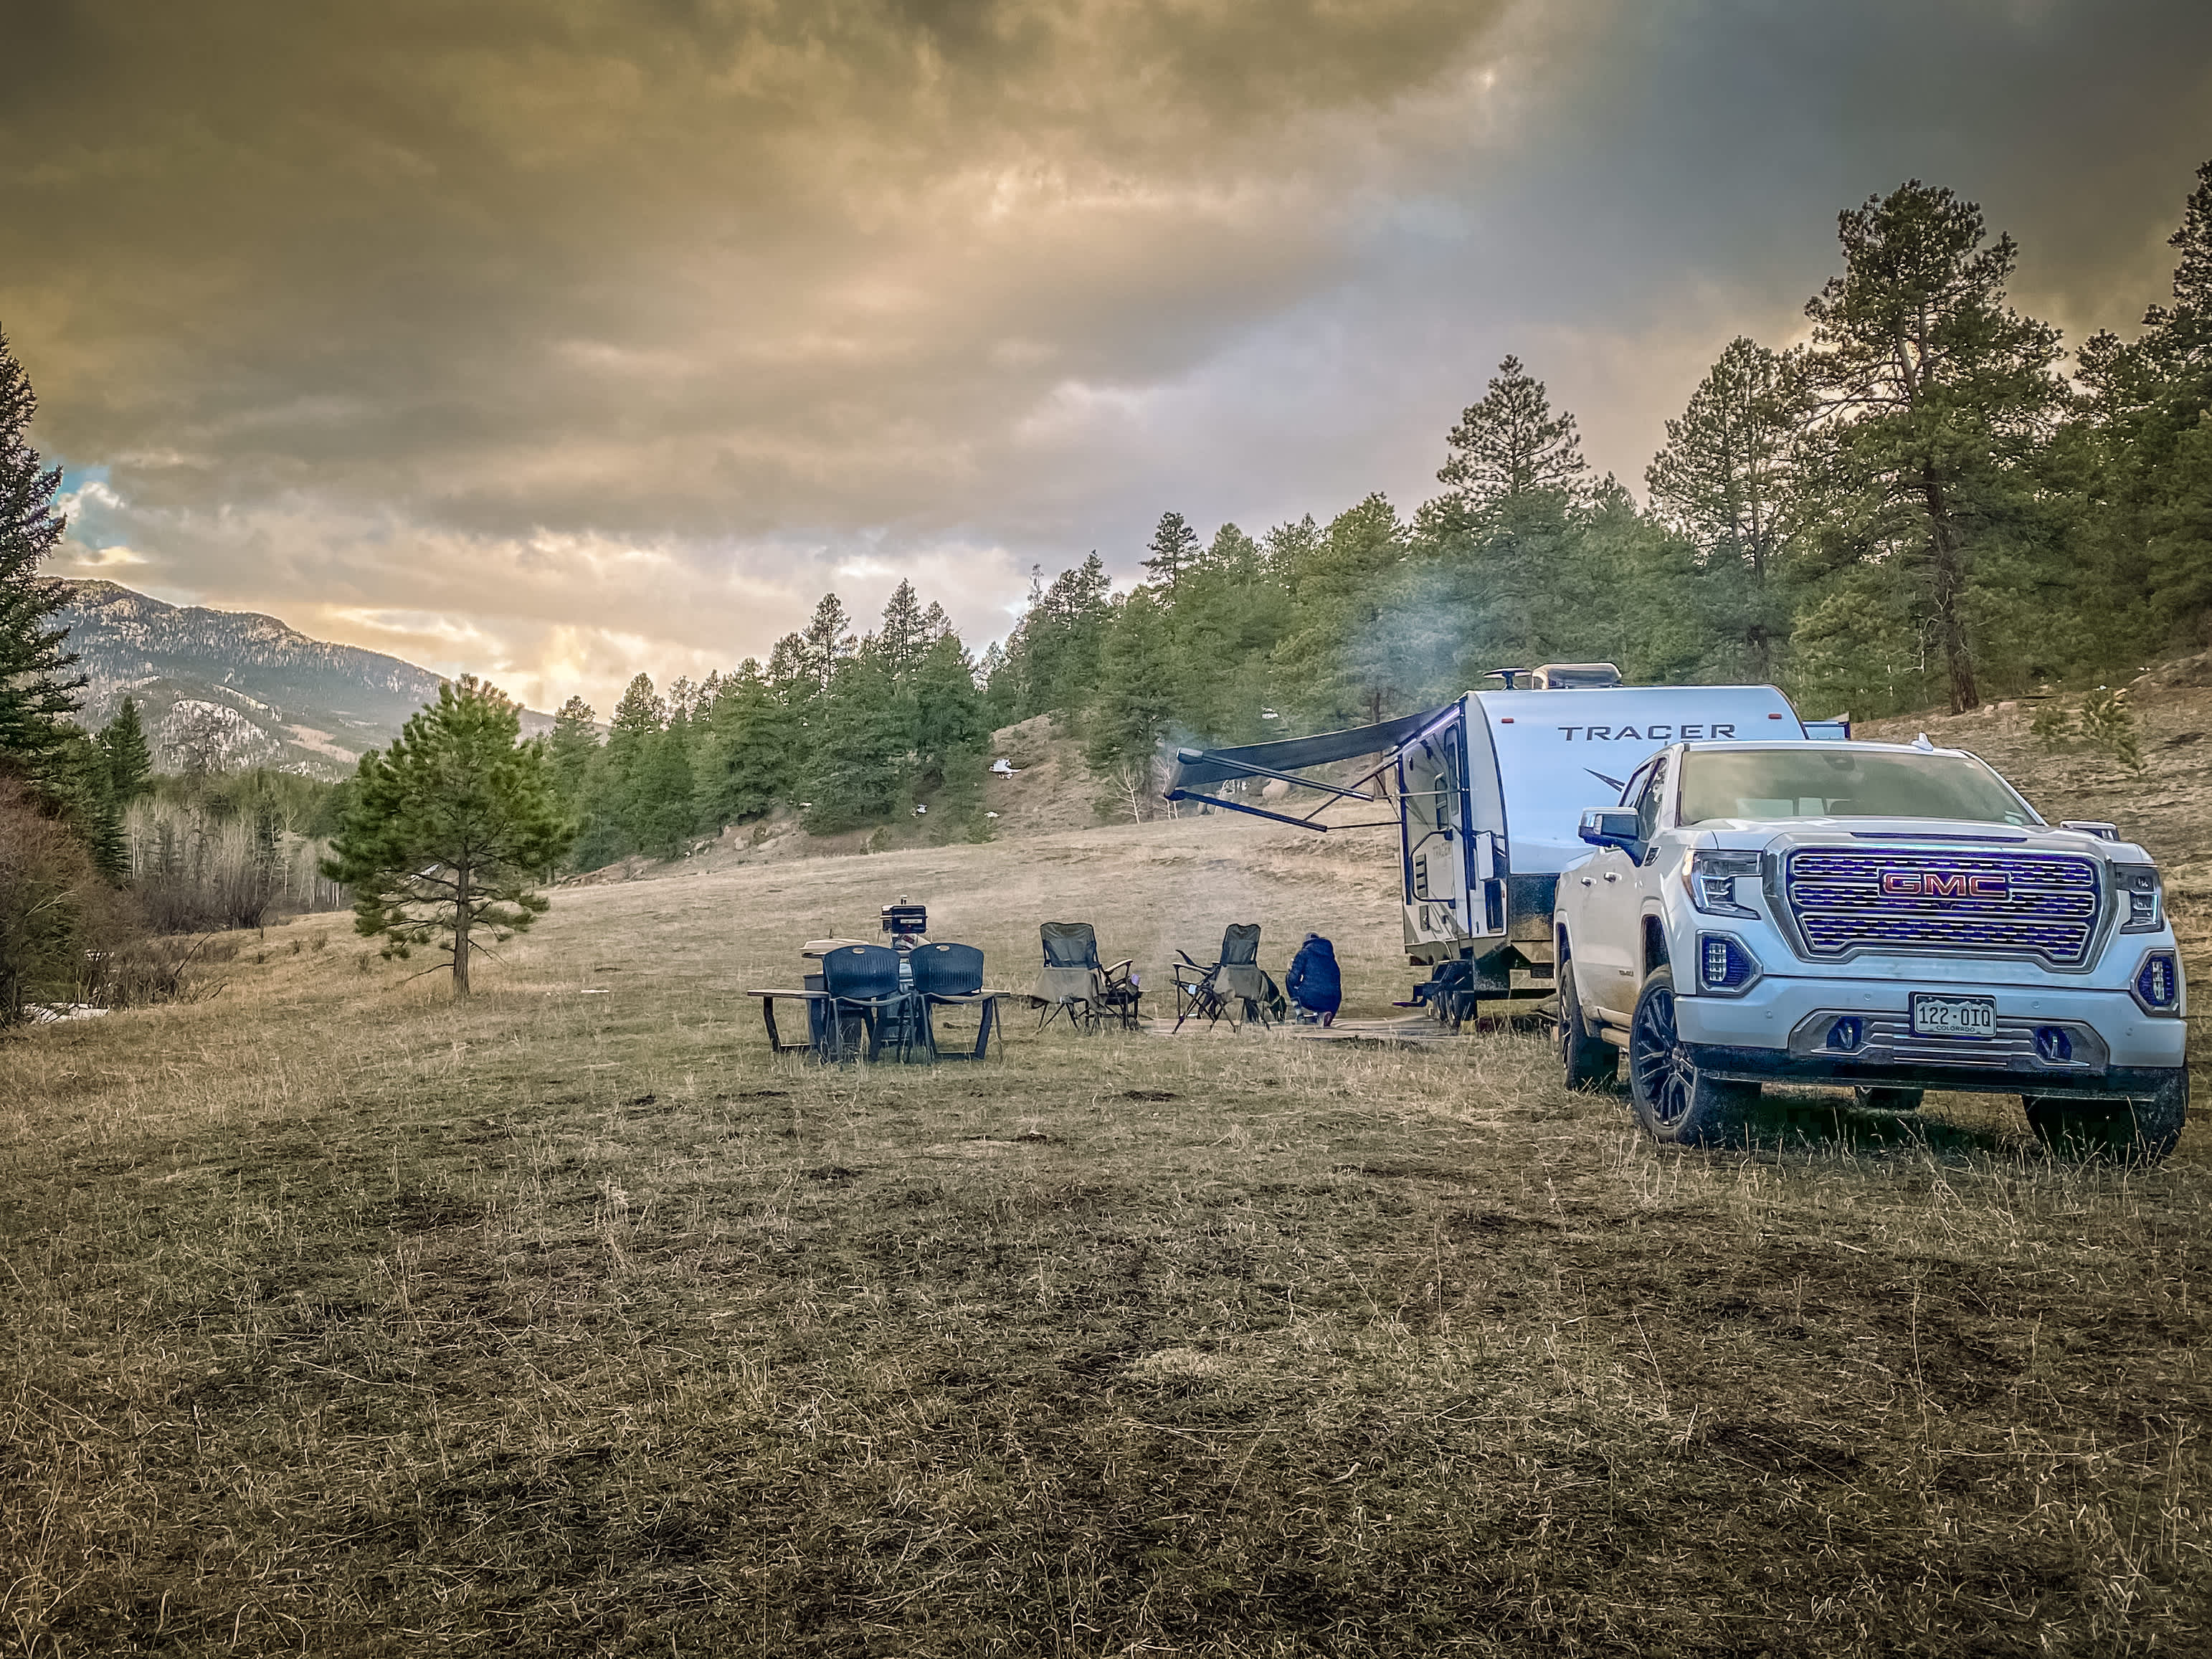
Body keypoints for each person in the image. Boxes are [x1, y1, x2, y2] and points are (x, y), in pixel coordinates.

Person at [1285, 933, 1341, 1027]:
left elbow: (1293, 980)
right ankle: (1323, 1014)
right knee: (1323, 988)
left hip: (1313, 999)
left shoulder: (1304, 954)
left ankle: (1300, 1016)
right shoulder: (1331, 958)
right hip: (1334, 1001)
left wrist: (1291, 970)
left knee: (1288, 980)